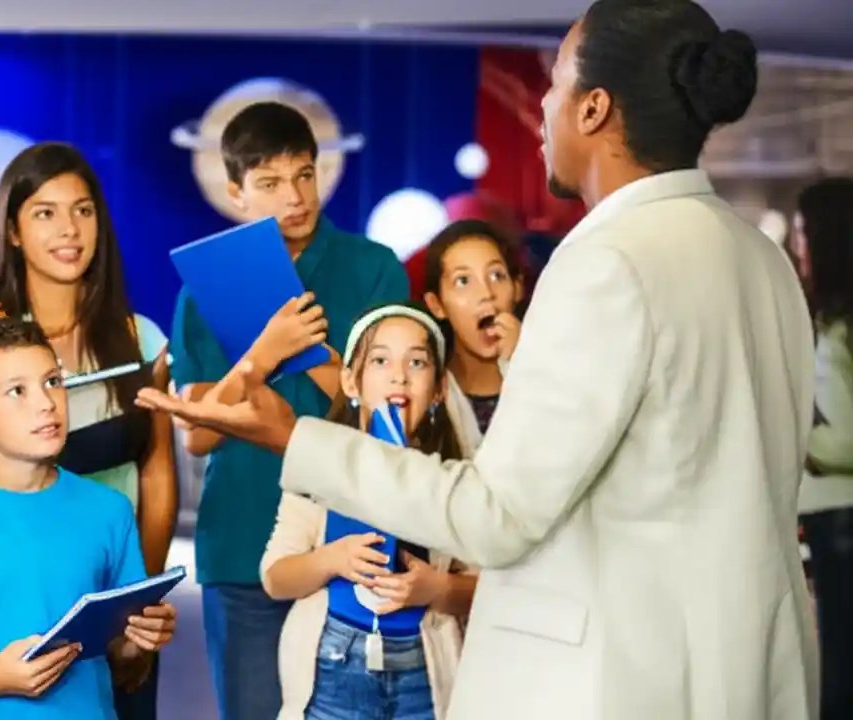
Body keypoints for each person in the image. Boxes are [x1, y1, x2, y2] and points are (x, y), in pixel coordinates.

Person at [140, 2, 820, 718]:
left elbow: (496, 514)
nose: (544, 107)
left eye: (553, 84)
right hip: (743, 673)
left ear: (593, 109)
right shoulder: (761, 257)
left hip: (624, 678)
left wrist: (293, 437)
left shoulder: (606, 264)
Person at [170, 100, 408, 719]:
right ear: (235, 191)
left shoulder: (373, 267)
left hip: (352, 540)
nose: (295, 196)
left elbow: (390, 407)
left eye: (305, 174)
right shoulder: (203, 289)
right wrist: (261, 353)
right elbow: (197, 439)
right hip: (242, 541)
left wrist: (313, 350)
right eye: (271, 183)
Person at [0, 144, 177, 717]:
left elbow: (158, 480)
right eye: (45, 213)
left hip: (120, 609)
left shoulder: (142, 339)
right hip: (16, 608)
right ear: (14, 231)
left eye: (83, 210)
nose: (69, 228)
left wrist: (132, 606)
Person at [0, 317, 177, 720]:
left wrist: (140, 639)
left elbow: (119, 652)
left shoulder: (109, 509)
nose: (45, 402)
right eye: (17, 391)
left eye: (53, 382)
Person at [263, 302, 474, 720]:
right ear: (351, 381)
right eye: (380, 360)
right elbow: (275, 577)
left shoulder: (453, 481)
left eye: (417, 362)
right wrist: (331, 559)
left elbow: (485, 587)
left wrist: (438, 590)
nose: (399, 375)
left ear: (438, 391)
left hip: (423, 678)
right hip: (331, 670)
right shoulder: (320, 467)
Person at [793, 177, 853, 719]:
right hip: (832, 514)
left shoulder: (836, 326)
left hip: (840, 516)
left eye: (803, 234)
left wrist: (799, 440)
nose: (798, 249)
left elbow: (845, 435)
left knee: (840, 665)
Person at [420, 219, 524, 449]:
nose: (486, 293)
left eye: (497, 276)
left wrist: (522, 366)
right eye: (463, 281)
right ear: (436, 304)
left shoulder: (553, 378)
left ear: (517, 288)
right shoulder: (426, 393)